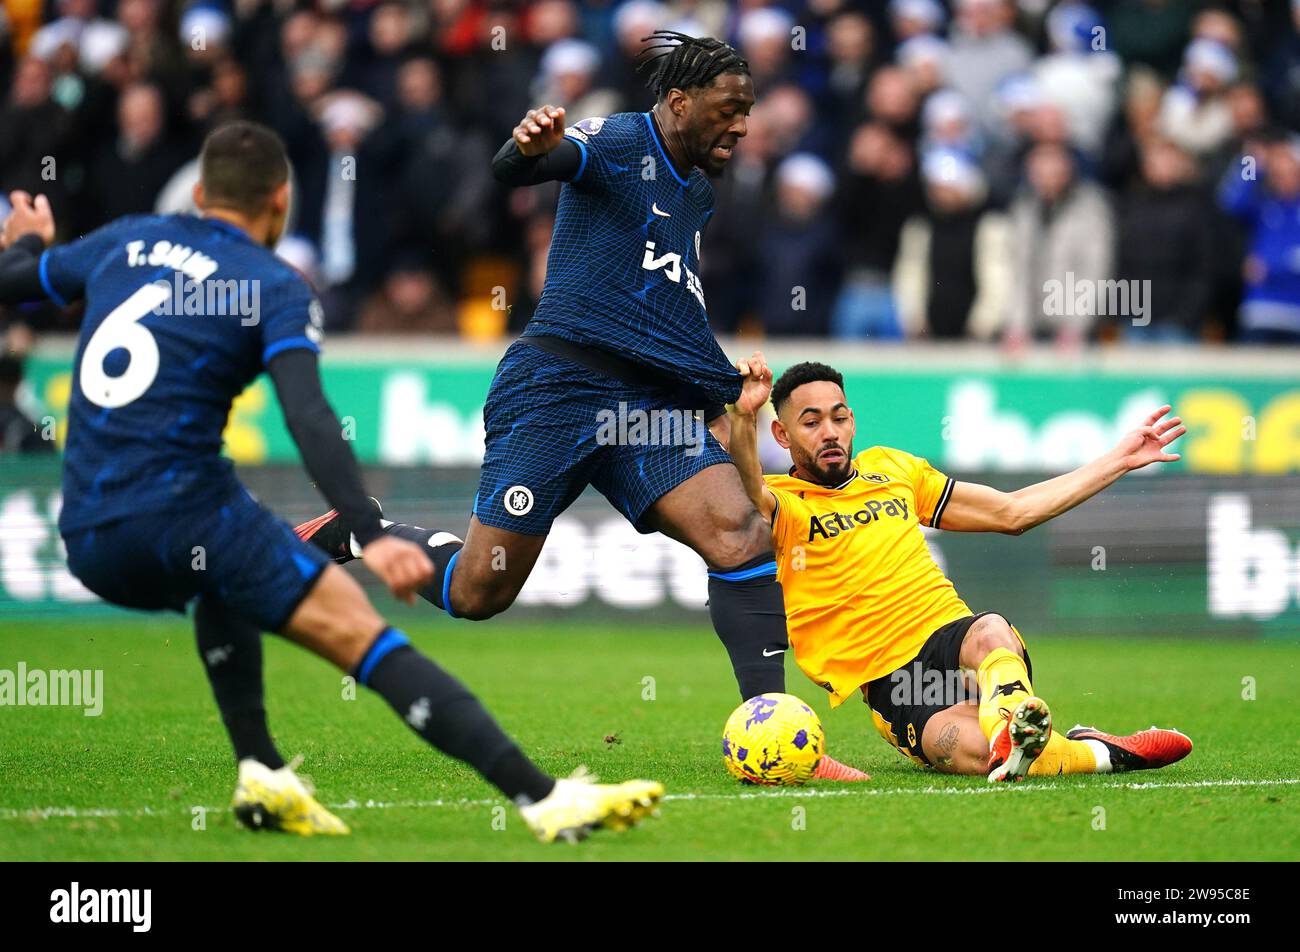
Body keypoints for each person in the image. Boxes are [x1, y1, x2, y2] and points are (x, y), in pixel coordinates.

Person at [0, 120, 661, 842]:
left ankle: (262, 773)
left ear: (197, 194)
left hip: (86, 531)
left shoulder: (122, 240)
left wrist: (30, 240)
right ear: (281, 203)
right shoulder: (271, 283)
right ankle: (546, 801)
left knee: (224, 578)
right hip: (185, 510)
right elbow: (311, 419)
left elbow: (15, 284)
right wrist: (371, 531)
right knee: (366, 639)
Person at [296, 31, 867, 781]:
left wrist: (717, 386)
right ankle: (356, 529)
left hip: (639, 405)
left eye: (749, 111)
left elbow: (663, 308)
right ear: (677, 102)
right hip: (557, 387)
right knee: (479, 592)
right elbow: (527, 167)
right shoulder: (620, 138)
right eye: (729, 111)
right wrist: (527, 146)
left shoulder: (698, 192)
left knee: (742, 535)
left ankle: (781, 737)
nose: (742, 126)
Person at [722, 356, 1194, 782]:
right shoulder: (783, 502)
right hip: (891, 685)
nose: (829, 432)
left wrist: (1121, 459)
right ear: (781, 435)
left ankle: (1011, 727)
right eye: (811, 422)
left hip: (949, 638)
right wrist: (744, 417)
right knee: (988, 759)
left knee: (990, 630)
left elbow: (1013, 513)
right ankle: (1095, 750)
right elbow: (747, 486)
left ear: (852, 421)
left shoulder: (892, 470)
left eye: (839, 417)